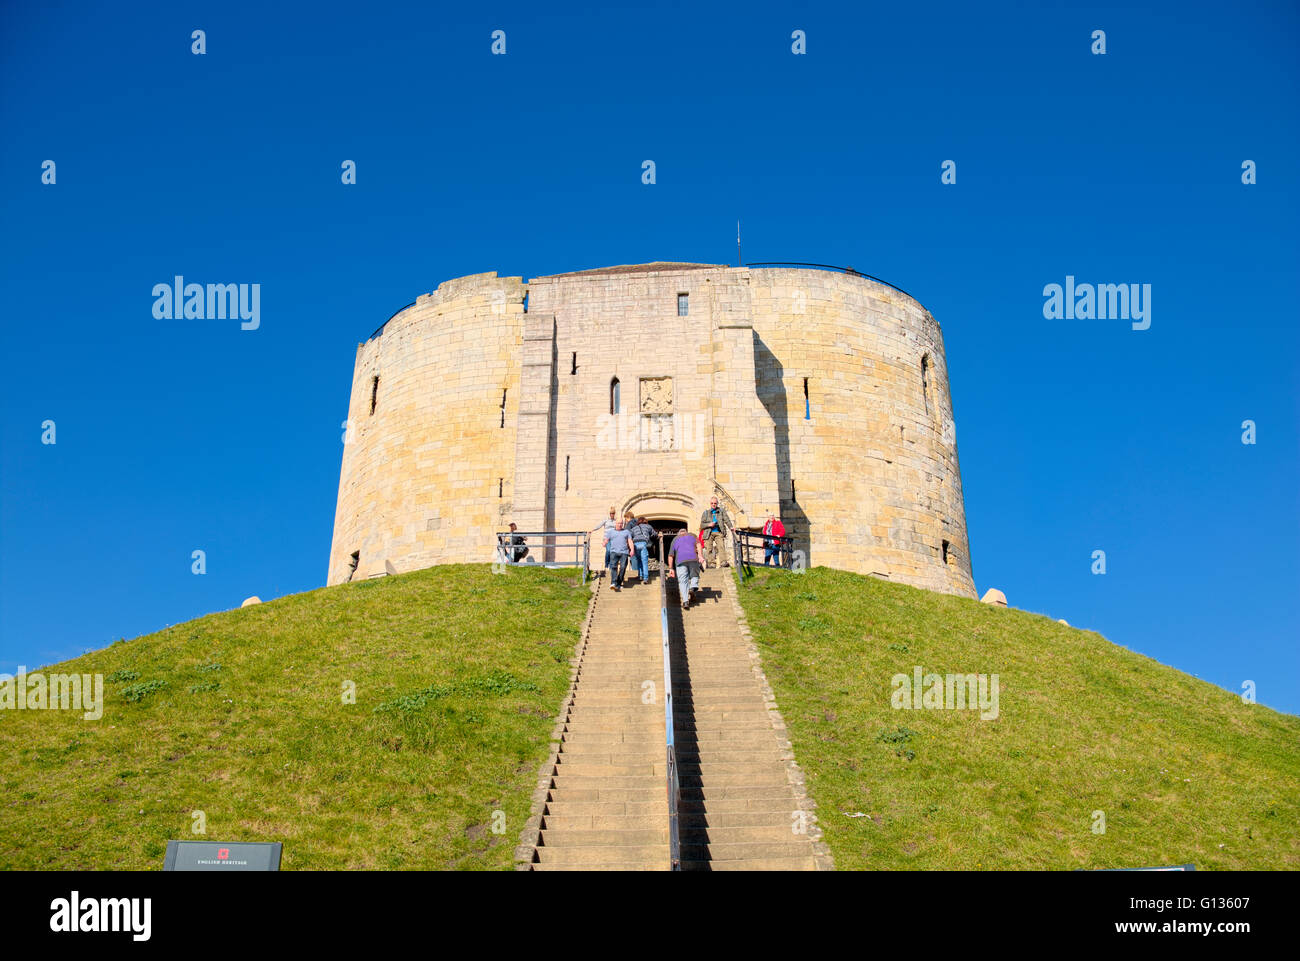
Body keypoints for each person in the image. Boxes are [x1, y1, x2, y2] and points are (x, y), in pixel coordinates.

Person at [667, 525, 701, 609]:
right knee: (694, 574)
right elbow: (699, 544)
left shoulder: (675, 539)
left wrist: (671, 568)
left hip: (680, 561)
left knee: (683, 581)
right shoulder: (692, 535)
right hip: (693, 558)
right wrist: (700, 555)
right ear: (686, 532)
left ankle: (685, 601)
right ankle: (693, 587)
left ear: (679, 533)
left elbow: (670, 555)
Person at [698, 495, 733, 570]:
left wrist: (731, 527)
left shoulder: (721, 511)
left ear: (717, 504)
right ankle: (711, 563)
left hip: (718, 532)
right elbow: (702, 525)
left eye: (715, 503)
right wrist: (709, 524)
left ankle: (723, 562)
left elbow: (726, 519)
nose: (713, 504)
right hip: (708, 533)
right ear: (710, 504)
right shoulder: (705, 513)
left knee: (721, 546)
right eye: (712, 503)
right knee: (709, 548)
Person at [604, 518, 634, 591]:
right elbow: (606, 540)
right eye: (618, 523)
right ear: (615, 524)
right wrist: (604, 543)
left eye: (621, 523)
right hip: (614, 552)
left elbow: (630, 541)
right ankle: (613, 583)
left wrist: (632, 550)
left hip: (624, 552)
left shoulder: (626, 532)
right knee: (614, 567)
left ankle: (619, 583)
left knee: (623, 567)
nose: (620, 525)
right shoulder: (611, 532)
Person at [629, 515, 654, 584]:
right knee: (644, 562)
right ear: (645, 521)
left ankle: (640, 576)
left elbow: (629, 536)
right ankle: (645, 578)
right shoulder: (648, 526)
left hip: (635, 544)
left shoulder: (634, 528)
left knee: (639, 561)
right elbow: (654, 534)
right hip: (643, 543)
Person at [593, 507, 617, 573]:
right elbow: (599, 525)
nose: (612, 514)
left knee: (613, 552)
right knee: (608, 551)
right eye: (611, 513)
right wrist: (592, 530)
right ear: (609, 514)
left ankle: (611, 566)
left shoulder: (615, 521)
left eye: (613, 513)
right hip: (607, 539)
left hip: (614, 539)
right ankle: (607, 564)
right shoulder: (606, 520)